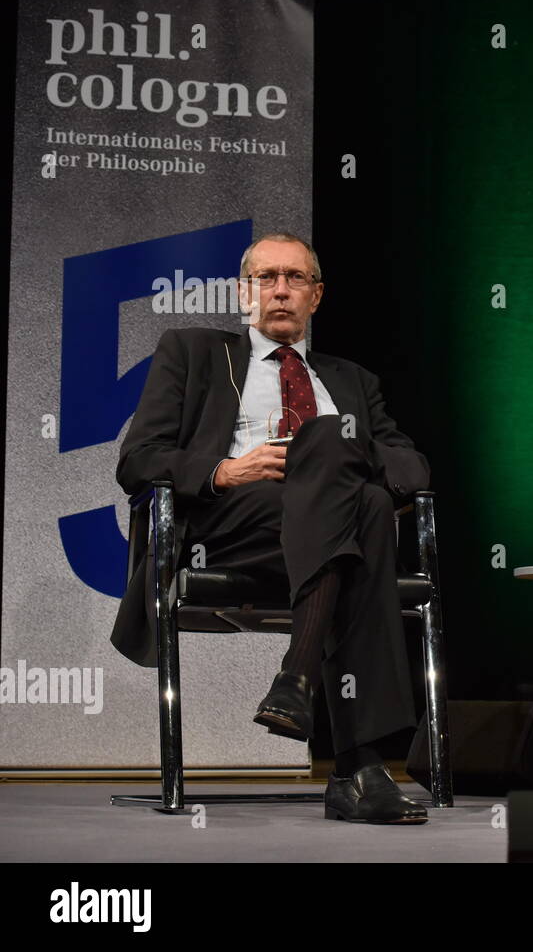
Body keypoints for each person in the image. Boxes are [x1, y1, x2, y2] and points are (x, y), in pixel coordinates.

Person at [112, 232, 430, 823]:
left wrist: (332, 451)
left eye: (295, 279)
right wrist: (226, 469)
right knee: (366, 510)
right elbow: (138, 460)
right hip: (231, 524)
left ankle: (302, 689)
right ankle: (363, 764)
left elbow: (411, 466)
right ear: (243, 292)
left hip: (322, 530)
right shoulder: (193, 352)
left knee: (354, 486)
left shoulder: (352, 380)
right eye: (266, 278)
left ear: (317, 296)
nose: (280, 290)